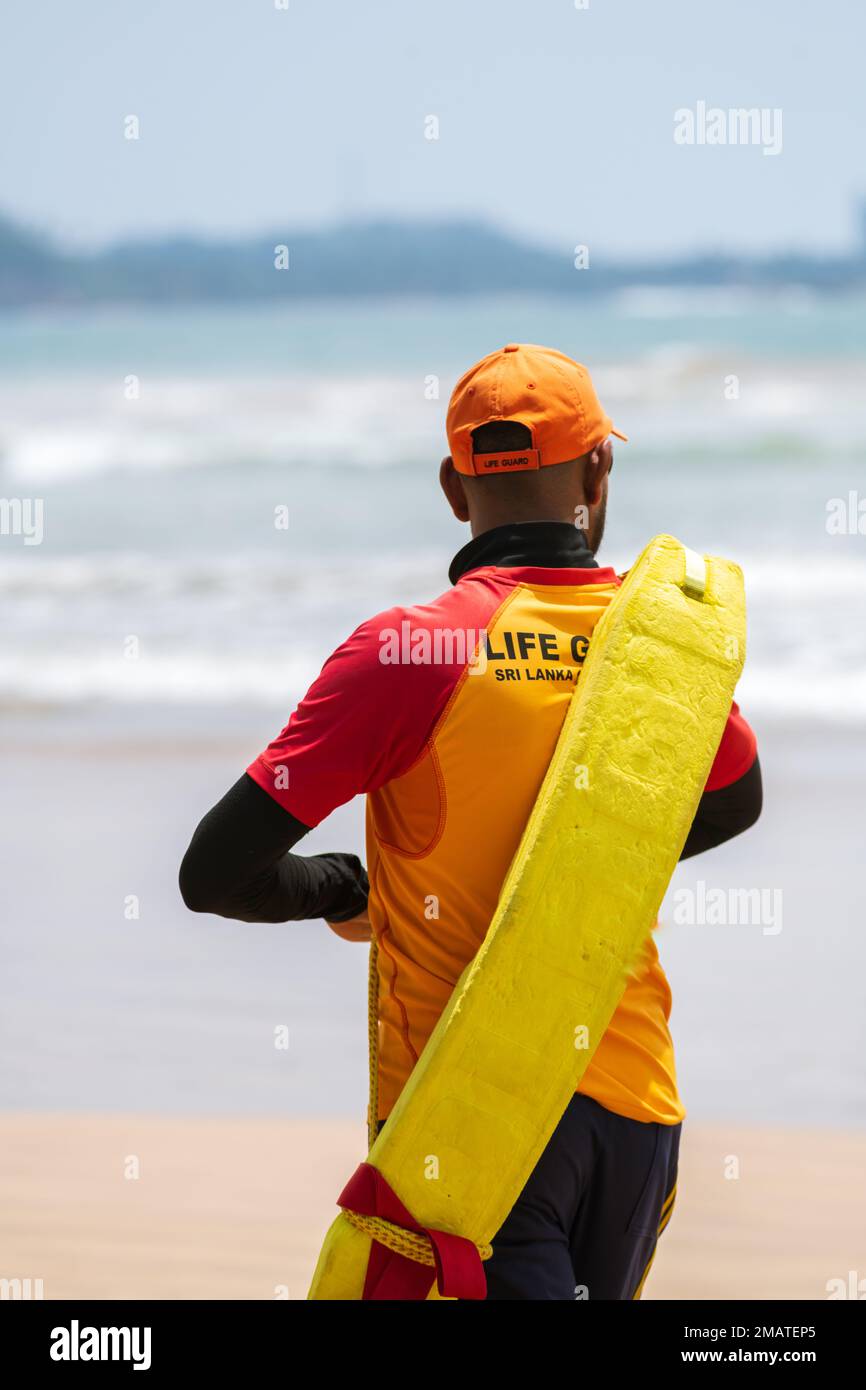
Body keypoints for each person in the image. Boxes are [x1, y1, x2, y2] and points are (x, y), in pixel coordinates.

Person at [179, 343, 762, 1300]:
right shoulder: (656, 652)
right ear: (598, 469)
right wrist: (577, 873)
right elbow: (735, 800)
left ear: (455, 490)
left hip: (476, 1121)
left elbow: (215, 872)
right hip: (636, 1108)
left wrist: (349, 887)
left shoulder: (411, 652)